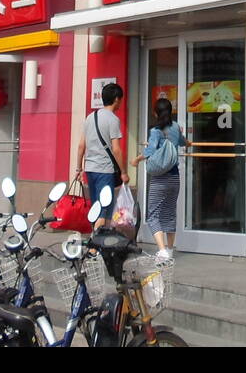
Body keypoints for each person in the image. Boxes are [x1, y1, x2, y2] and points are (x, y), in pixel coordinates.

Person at [132, 98, 185, 264]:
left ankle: (162, 251)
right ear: (170, 112)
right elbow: (183, 142)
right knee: (169, 213)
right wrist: (188, 142)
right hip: (174, 178)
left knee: (153, 215)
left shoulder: (155, 131)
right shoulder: (176, 127)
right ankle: (169, 249)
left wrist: (137, 159)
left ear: (155, 113)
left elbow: (150, 150)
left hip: (160, 179)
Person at [75, 82, 127, 228]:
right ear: (117, 99)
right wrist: (123, 172)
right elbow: (116, 150)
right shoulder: (113, 119)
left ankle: (99, 244)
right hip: (105, 170)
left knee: (96, 208)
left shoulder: (90, 117)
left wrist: (78, 169)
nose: (121, 103)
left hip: (90, 170)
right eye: (121, 99)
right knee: (104, 210)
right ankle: (95, 247)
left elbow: (81, 146)